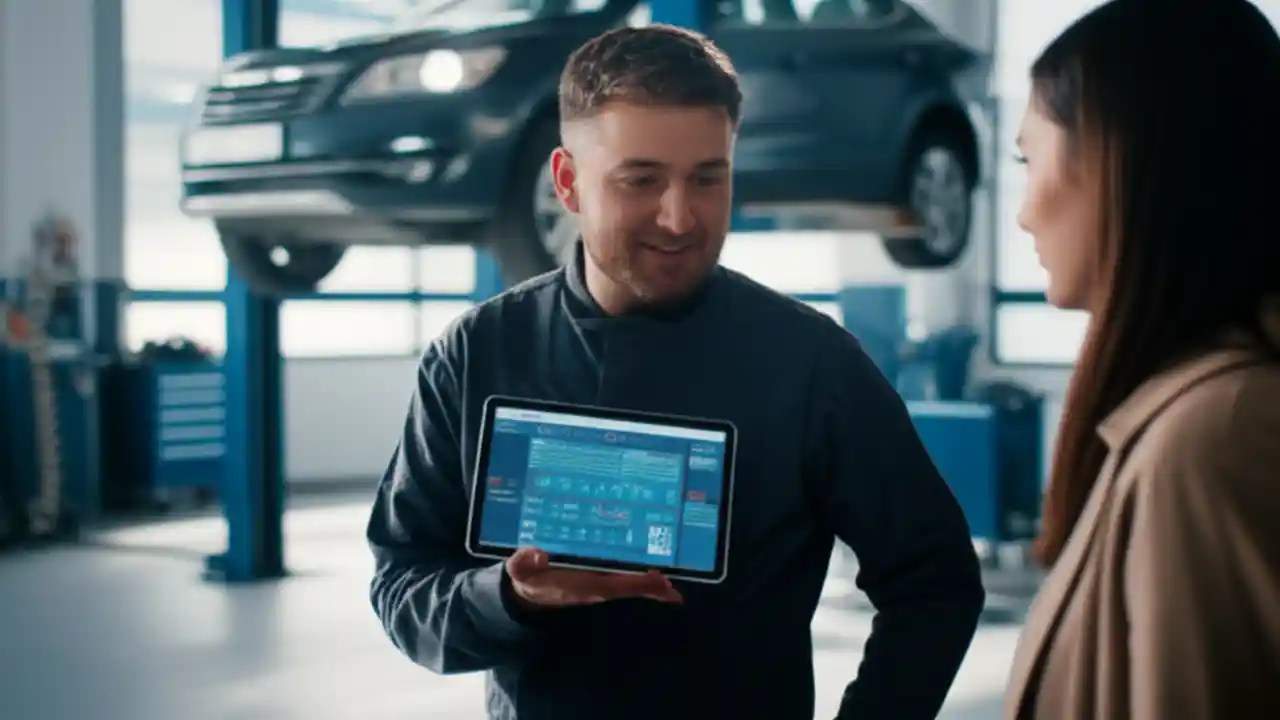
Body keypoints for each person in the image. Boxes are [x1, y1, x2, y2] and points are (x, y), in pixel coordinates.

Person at [367, 24, 984, 720]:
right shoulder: (478, 354)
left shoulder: (810, 364)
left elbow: (934, 580)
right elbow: (403, 584)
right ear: (568, 182)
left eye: (707, 179)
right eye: (642, 180)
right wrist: (506, 597)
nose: (679, 217)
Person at [1003, 1, 1280, 718]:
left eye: (1030, 160)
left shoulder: (1214, 438)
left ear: (1119, 160)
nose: (1024, 211)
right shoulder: (1179, 422)